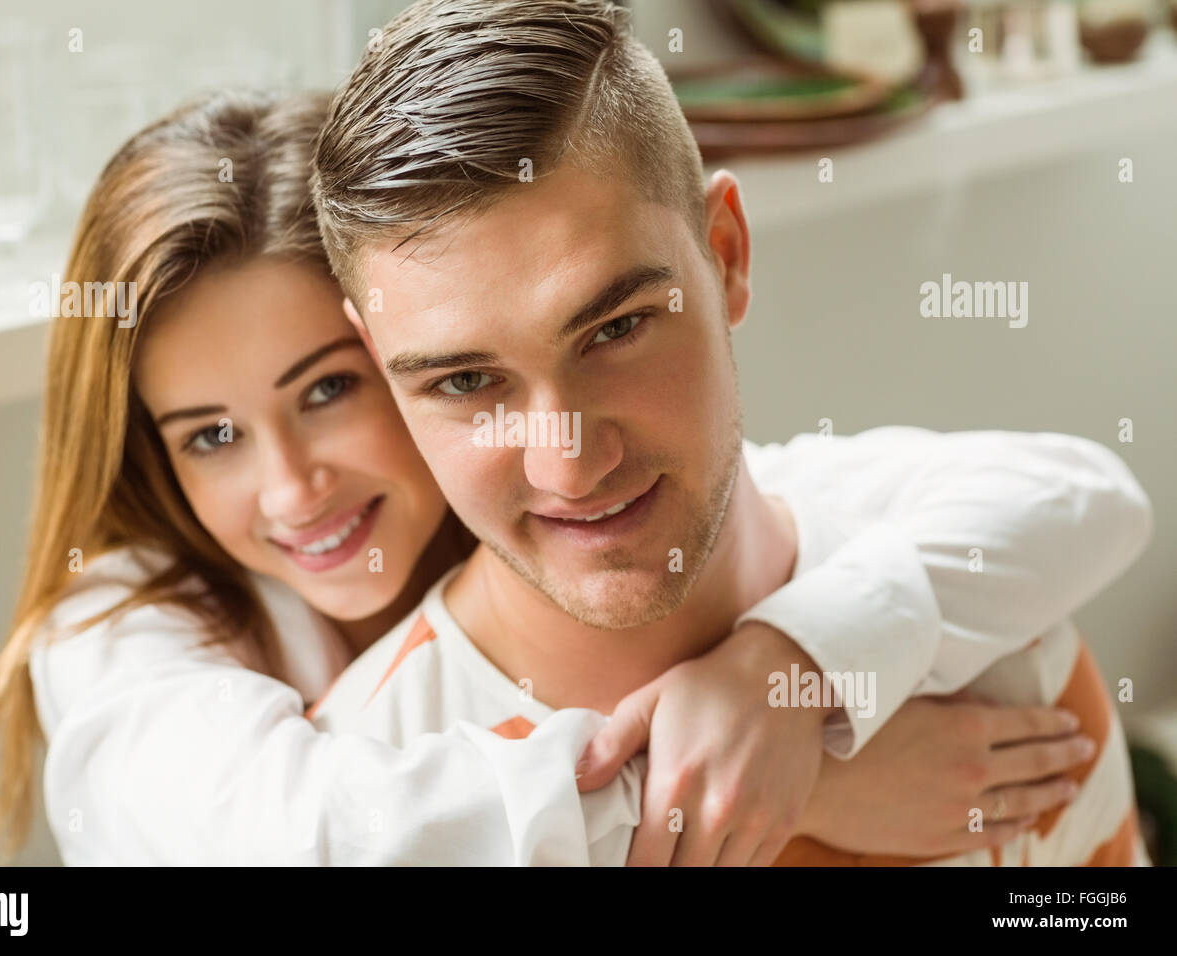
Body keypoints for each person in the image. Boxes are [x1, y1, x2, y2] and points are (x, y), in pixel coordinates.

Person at [0, 87, 1141, 867]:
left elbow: (1072, 494)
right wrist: (767, 776)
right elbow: (300, 842)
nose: (291, 490)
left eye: (329, 389)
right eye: (210, 435)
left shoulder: (623, 525)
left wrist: (784, 664)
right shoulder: (123, 629)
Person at [306, 0, 1154, 865]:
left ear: (727, 252)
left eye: (615, 330)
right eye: (466, 381)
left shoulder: (1002, 669)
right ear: (380, 364)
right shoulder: (361, 788)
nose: (570, 466)